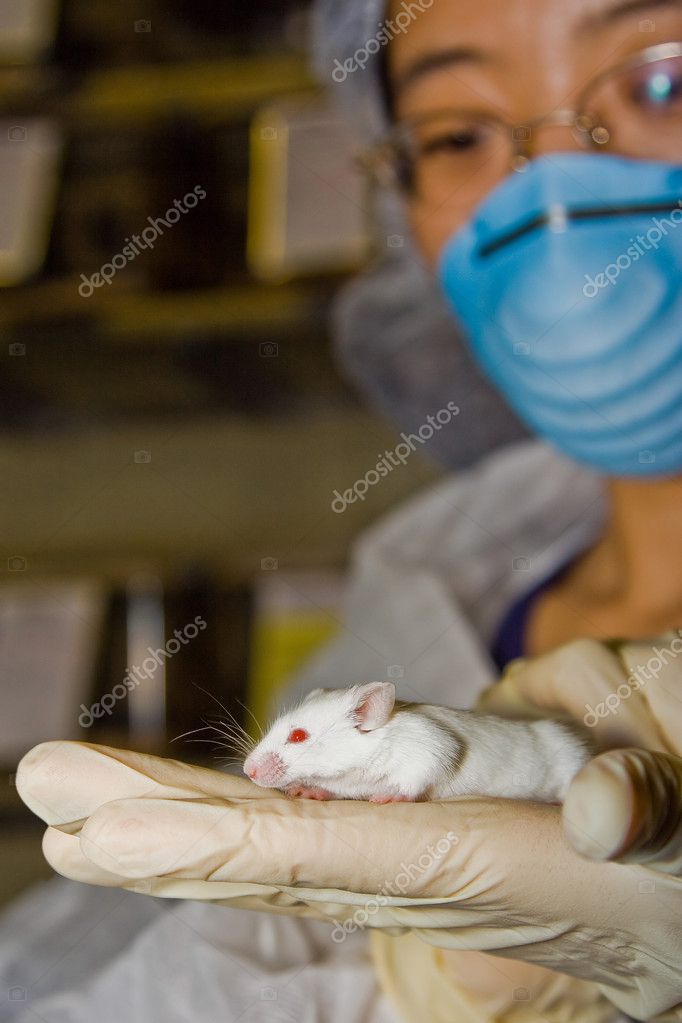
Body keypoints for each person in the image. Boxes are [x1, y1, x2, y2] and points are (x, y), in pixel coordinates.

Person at [8, 1, 682, 1021]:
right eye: (457, 134)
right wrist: (424, 994)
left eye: (661, 80)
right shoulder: (418, 599)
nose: (547, 180)